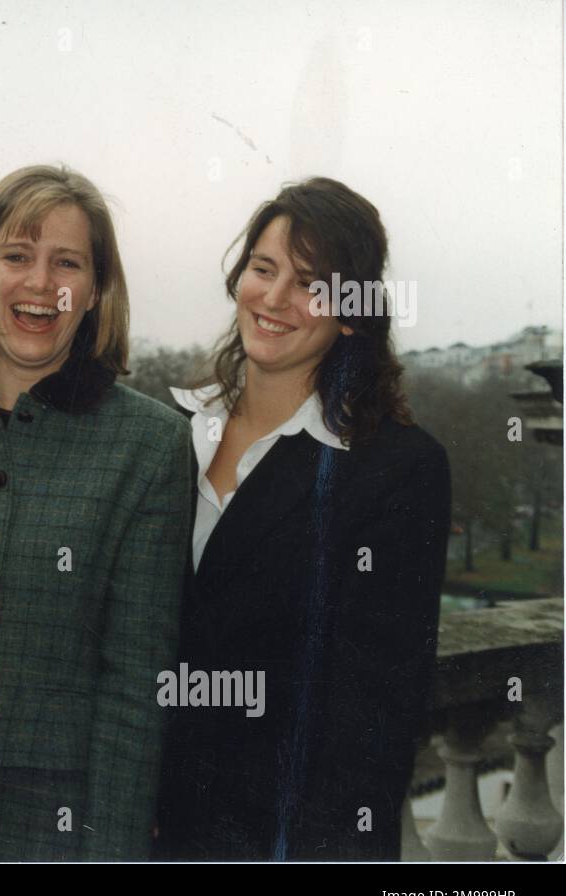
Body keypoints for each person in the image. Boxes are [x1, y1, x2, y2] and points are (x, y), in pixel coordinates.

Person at [154, 177, 452, 861]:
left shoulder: (395, 470)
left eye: (311, 283)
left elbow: (376, 714)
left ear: (352, 313)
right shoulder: (169, 433)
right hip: (148, 832)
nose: (275, 298)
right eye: (264, 269)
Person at [0, 165, 193, 861]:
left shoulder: (149, 445)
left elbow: (136, 685)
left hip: (52, 822)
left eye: (67, 262)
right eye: (16, 256)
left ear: (95, 291)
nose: (41, 283)